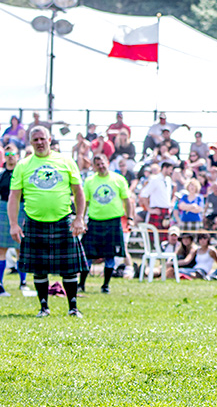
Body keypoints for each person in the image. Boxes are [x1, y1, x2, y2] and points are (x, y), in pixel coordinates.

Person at [8, 126, 88, 318]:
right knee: (38, 268)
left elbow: (78, 192)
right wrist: (13, 224)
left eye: (42, 138)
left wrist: (79, 218)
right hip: (35, 222)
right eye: (35, 140)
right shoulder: (23, 165)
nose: (40, 142)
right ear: (30, 142)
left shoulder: (65, 161)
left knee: (69, 269)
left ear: (50, 139)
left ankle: (73, 307)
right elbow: (14, 196)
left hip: (63, 220)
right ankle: (43, 307)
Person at [80, 154, 133, 294]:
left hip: (113, 222)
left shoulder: (119, 179)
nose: (101, 166)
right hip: (94, 221)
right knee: (88, 254)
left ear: (108, 162)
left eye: (102, 163)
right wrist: (81, 218)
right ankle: (82, 284)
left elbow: (127, 200)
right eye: (97, 164)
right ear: (93, 166)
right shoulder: (89, 181)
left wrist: (130, 218)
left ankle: (105, 285)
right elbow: (85, 202)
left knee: (111, 255)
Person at [0, 143, 27, 295]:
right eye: (7, 155)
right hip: (3, 210)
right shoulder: (2, 176)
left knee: (20, 248)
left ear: (18, 156)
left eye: (13, 155)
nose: (10, 158)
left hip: (21, 209)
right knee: (1, 249)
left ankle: (23, 282)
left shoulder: (23, 174)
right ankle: (0, 284)